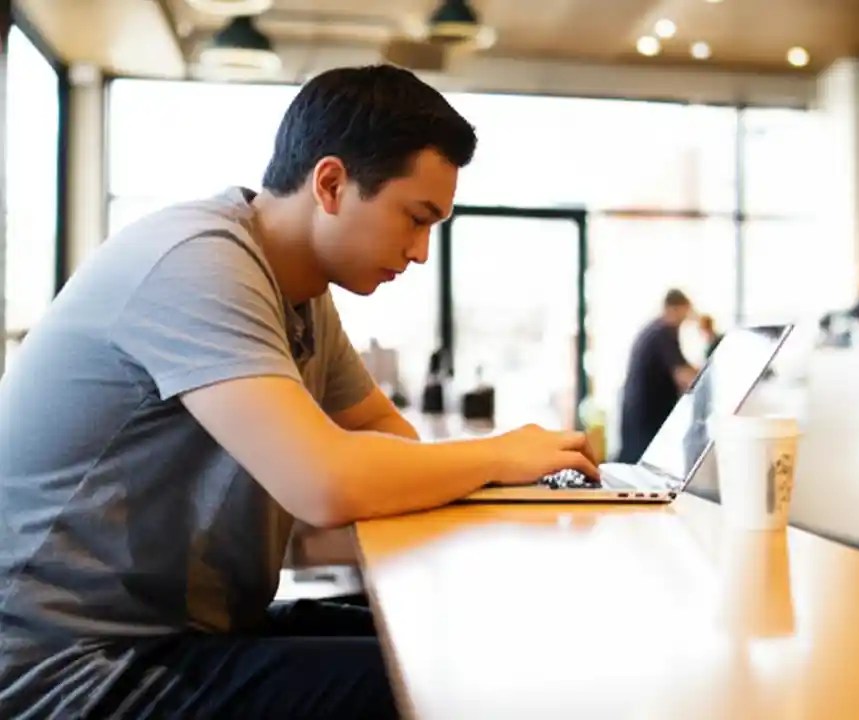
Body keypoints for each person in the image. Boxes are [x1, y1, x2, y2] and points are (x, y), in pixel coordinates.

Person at [0, 65, 597, 718]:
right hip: (71, 666)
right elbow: (324, 486)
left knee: (466, 649)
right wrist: (502, 455)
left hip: (184, 634)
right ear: (332, 183)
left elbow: (382, 434)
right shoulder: (196, 262)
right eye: (415, 218)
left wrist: (490, 471)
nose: (422, 252)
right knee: (454, 688)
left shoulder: (300, 293)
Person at [616, 289, 698, 463]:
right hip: (647, 415)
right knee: (642, 465)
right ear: (676, 309)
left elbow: (681, 365)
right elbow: (683, 375)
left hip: (639, 410)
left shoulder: (655, 330)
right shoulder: (664, 332)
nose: (686, 319)